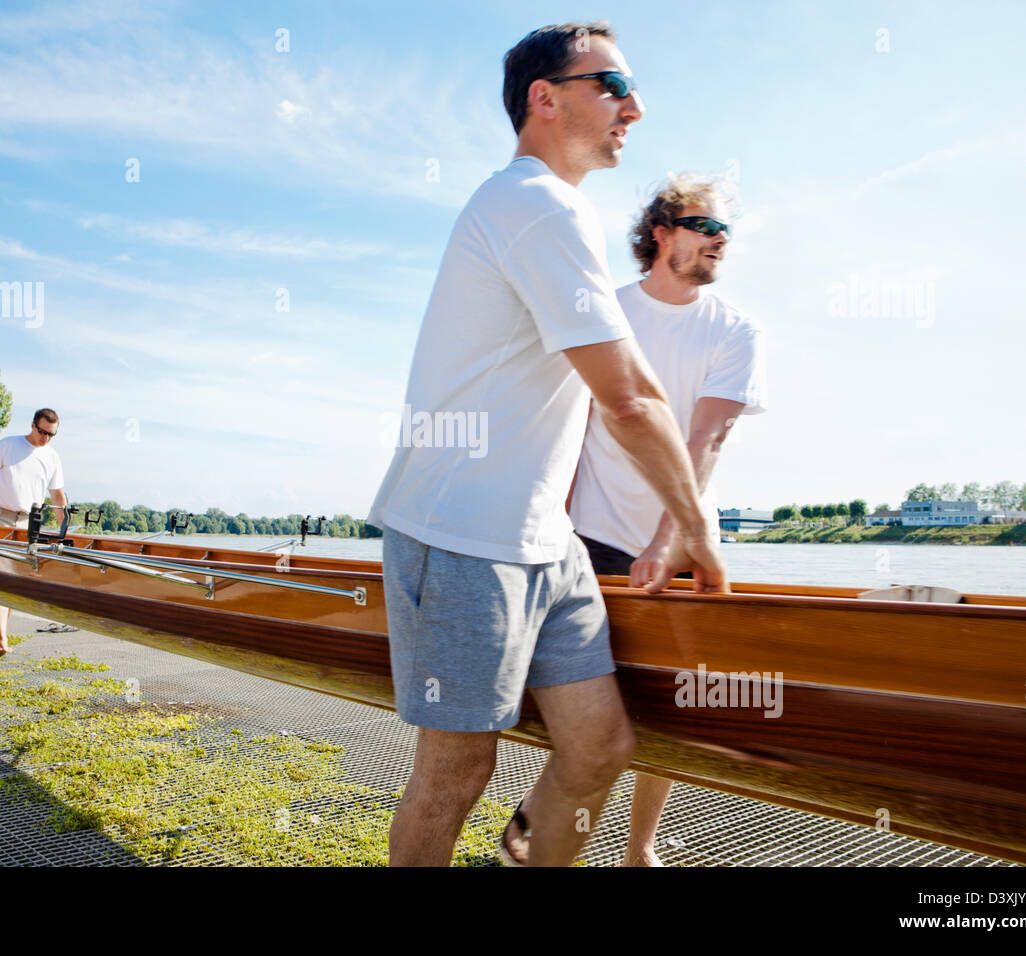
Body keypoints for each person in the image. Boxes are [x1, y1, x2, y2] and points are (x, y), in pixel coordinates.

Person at [367, 22, 728, 867]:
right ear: (546, 96)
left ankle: (522, 857)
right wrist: (697, 531)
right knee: (456, 771)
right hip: (458, 533)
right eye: (615, 83)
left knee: (600, 748)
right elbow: (631, 397)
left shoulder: (559, 211)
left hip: (544, 544)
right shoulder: (530, 203)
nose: (633, 106)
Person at [501, 175, 768, 865]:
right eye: (705, 224)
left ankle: (638, 850)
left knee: (676, 704)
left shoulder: (736, 330)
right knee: (584, 695)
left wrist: (667, 539)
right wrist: (545, 531)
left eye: (726, 231)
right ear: (661, 231)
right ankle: (541, 816)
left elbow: (705, 441)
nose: (720, 239)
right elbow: (567, 424)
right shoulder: (604, 313)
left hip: (680, 542)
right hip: (588, 535)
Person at [0, 409, 67, 656]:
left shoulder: (51, 456)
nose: (45, 438)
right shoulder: (8, 445)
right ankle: (1, 639)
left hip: (29, 522)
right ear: (32, 425)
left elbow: (57, 495)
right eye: (42, 432)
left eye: (51, 435)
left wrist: (63, 529)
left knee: (14, 579)